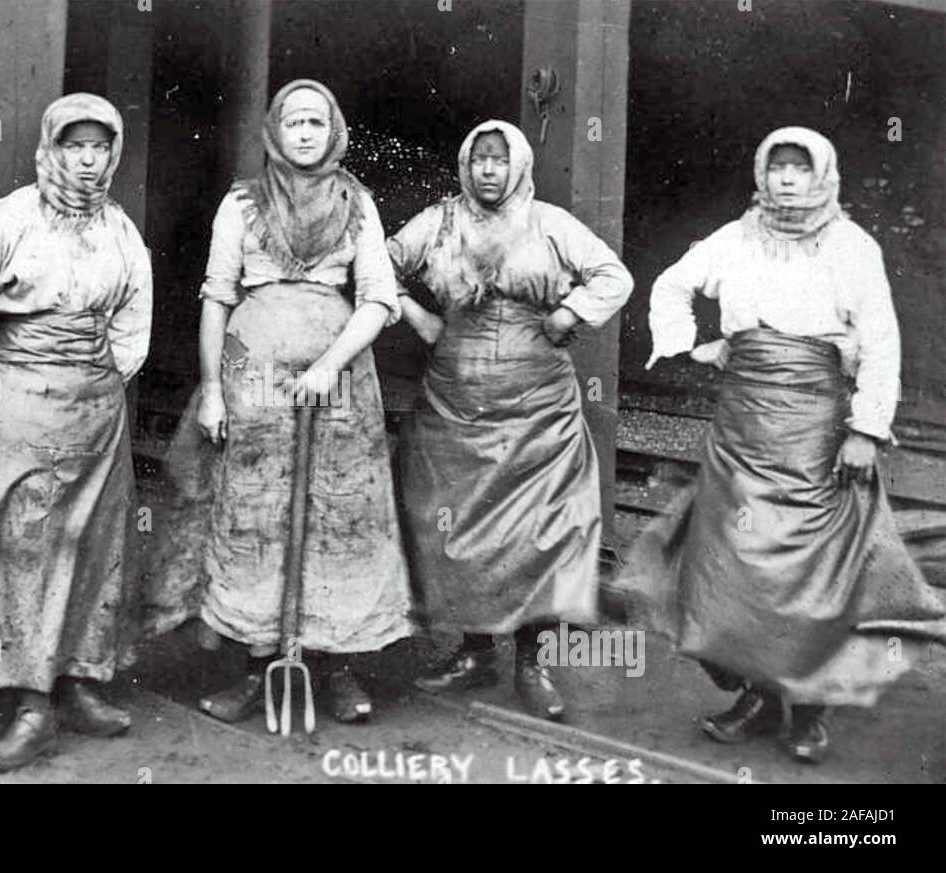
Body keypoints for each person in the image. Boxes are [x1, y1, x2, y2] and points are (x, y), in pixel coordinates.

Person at [617, 126, 946, 763]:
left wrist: (866, 432)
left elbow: (881, 341)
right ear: (761, 175)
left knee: (810, 572)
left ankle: (810, 709)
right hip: (743, 429)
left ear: (822, 175)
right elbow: (670, 285)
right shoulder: (735, 238)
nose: (787, 180)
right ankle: (760, 696)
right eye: (777, 168)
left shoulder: (852, 246)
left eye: (800, 169)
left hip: (817, 433)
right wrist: (695, 345)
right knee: (736, 567)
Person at [146, 79, 413, 724]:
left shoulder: (358, 202)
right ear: (274, 130)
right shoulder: (241, 204)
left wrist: (327, 366)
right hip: (253, 378)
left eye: (315, 122)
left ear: (334, 131)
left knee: (337, 519)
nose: (303, 133)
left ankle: (335, 667)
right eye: (292, 122)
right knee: (252, 516)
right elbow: (216, 294)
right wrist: (212, 392)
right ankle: (249, 668)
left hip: (340, 382)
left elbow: (380, 298)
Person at [0, 94, 152, 772]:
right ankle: (30, 704)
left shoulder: (122, 231)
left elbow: (134, 322)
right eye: (74, 145)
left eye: (99, 147)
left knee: (92, 544)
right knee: (24, 545)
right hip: (15, 403)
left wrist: (97, 374)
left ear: (113, 153)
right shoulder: (11, 218)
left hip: (96, 408)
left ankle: (76, 679)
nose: (87, 159)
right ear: (51, 148)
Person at [388, 120, 633, 720]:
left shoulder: (550, 223)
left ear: (518, 164)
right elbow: (375, 263)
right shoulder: (440, 221)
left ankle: (533, 662)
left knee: (538, 534)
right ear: (465, 166)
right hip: (454, 399)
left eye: (499, 160)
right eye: (479, 160)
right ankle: (474, 654)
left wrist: (568, 314)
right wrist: (417, 315)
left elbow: (614, 277)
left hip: (538, 408)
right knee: (456, 528)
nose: (489, 171)